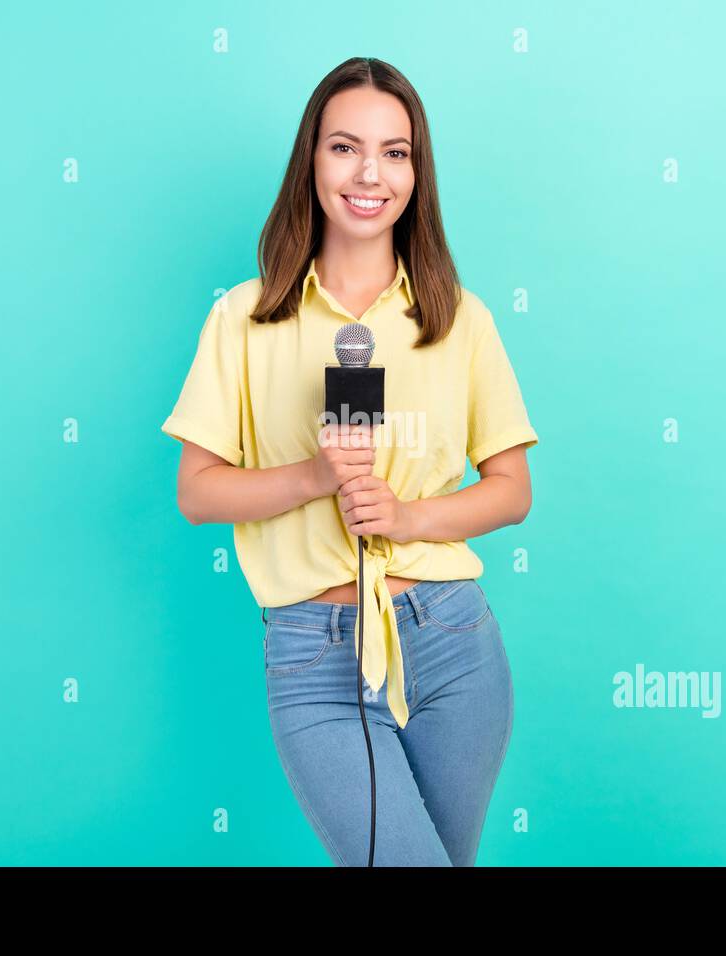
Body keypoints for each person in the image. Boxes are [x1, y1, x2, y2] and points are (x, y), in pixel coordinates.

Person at [161, 57, 538, 866]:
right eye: (346, 147)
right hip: (314, 651)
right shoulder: (242, 317)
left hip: (452, 643)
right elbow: (196, 492)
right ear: (313, 161)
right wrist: (313, 475)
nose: (371, 173)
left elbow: (512, 492)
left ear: (416, 172)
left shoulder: (457, 319)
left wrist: (406, 517)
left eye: (395, 152)